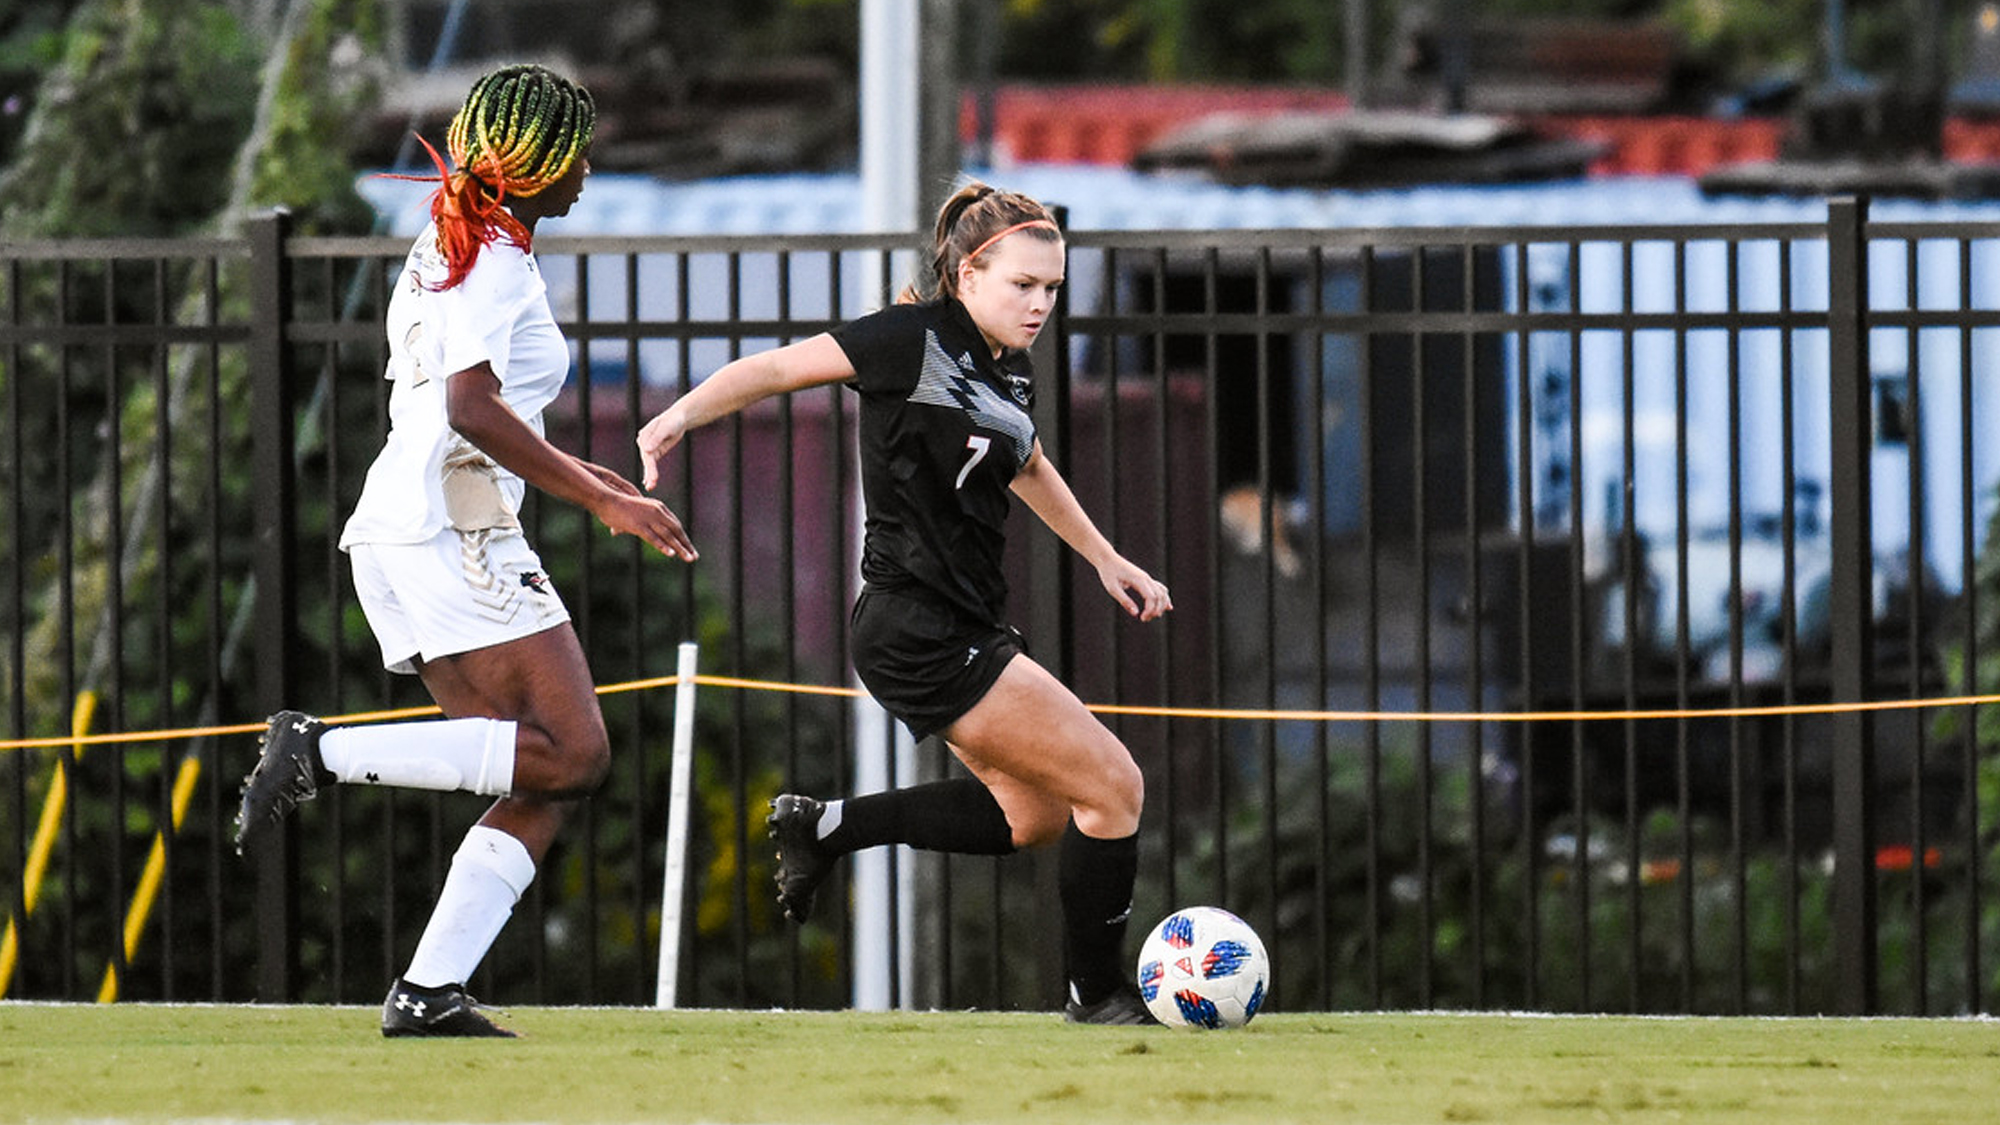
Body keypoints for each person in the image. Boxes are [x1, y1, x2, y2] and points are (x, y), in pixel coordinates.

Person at [635, 182, 1172, 1024]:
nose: (1039, 304)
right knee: (1114, 784)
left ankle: (827, 827)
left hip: (963, 623)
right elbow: (774, 368)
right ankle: (1096, 994)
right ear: (966, 274)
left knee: (1031, 814)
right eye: (1022, 284)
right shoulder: (909, 339)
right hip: (917, 627)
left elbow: (1029, 463)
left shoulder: (1010, 367)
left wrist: (1106, 558)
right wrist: (677, 416)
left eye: (1051, 288)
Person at [233, 63, 696, 1038]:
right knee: (576, 753)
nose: (587, 171)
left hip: (406, 520)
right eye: (577, 154)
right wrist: (600, 503)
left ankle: (427, 991)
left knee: (540, 774)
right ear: (538, 163)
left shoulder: (455, 239)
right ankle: (316, 749)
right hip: (453, 526)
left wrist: (603, 485)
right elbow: (471, 409)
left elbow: (473, 411)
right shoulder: (491, 256)